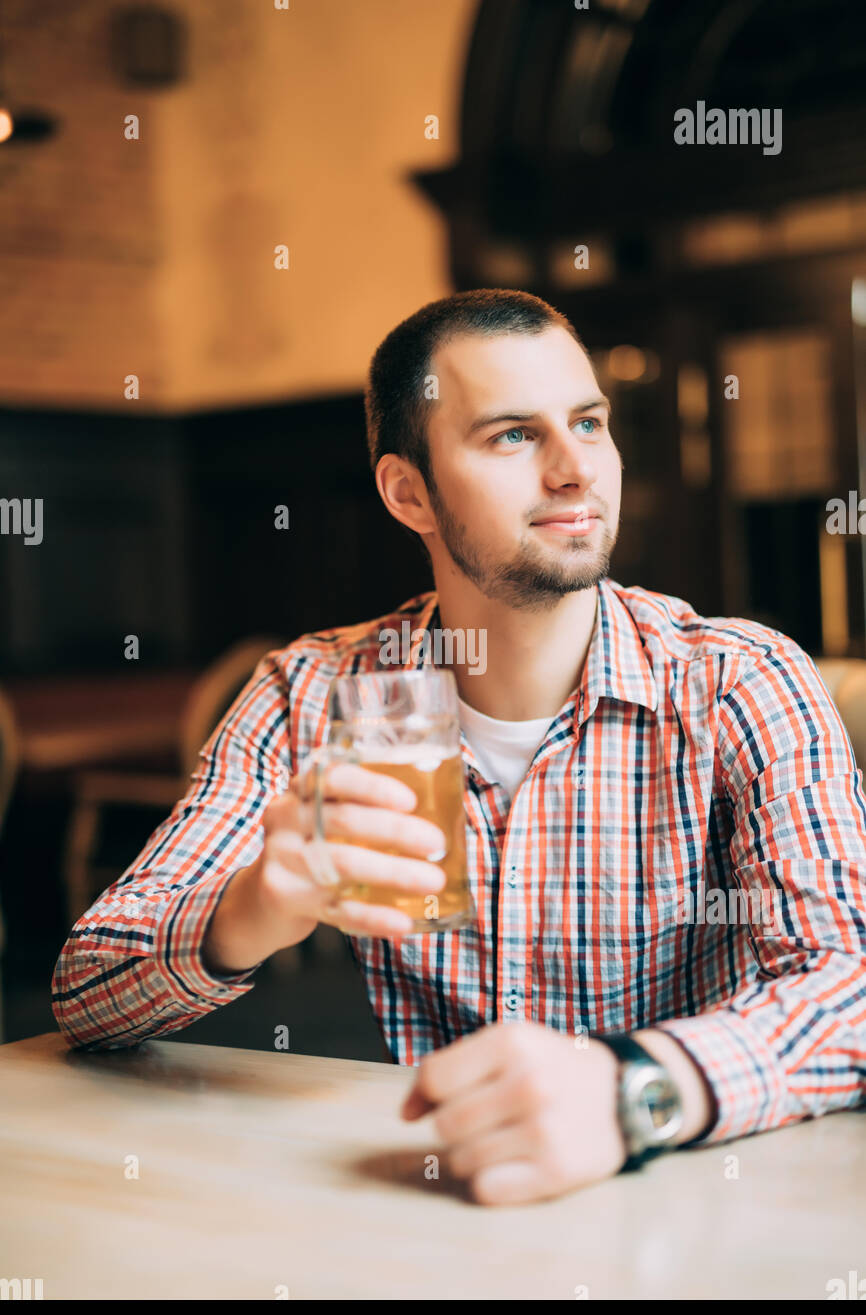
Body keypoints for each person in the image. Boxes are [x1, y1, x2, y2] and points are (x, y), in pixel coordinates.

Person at [52, 289, 866, 1205]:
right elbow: (85, 990)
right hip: (454, 1214)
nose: (575, 470)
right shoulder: (311, 692)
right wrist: (250, 910)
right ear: (409, 493)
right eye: (513, 435)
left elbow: (854, 985)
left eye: (589, 423)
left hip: (697, 1207)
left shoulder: (739, 681)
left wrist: (634, 1090)